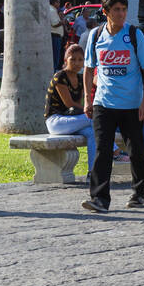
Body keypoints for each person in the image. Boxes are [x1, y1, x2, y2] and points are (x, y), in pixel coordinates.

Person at [81, 0, 144, 212]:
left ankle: (140, 192)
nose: (121, 14)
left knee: (136, 151)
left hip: (131, 104)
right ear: (105, 12)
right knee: (103, 151)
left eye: (124, 9)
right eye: (116, 10)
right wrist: (87, 99)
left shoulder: (134, 35)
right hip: (103, 103)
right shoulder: (95, 36)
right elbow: (88, 69)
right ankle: (100, 198)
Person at [46, 43, 97, 184]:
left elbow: (79, 107)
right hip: (56, 122)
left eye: (80, 60)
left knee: (92, 132)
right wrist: (89, 110)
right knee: (95, 120)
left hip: (72, 121)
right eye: (72, 59)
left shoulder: (81, 79)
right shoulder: (60, 76)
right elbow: (70, 104)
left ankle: (92, 173)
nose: (76, 63)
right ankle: (116, 152)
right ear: (65, 60)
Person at [48, 0, 66, 71]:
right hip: (55, 36)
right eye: (58, 2)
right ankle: (54, 71)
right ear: (55, 2)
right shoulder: (51, 10)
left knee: (57, 56)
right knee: (55, 56)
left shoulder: (53, 10)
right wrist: (62, 22)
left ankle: (55, 69)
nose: (59, 4)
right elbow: (54, 24)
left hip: (56, 36)